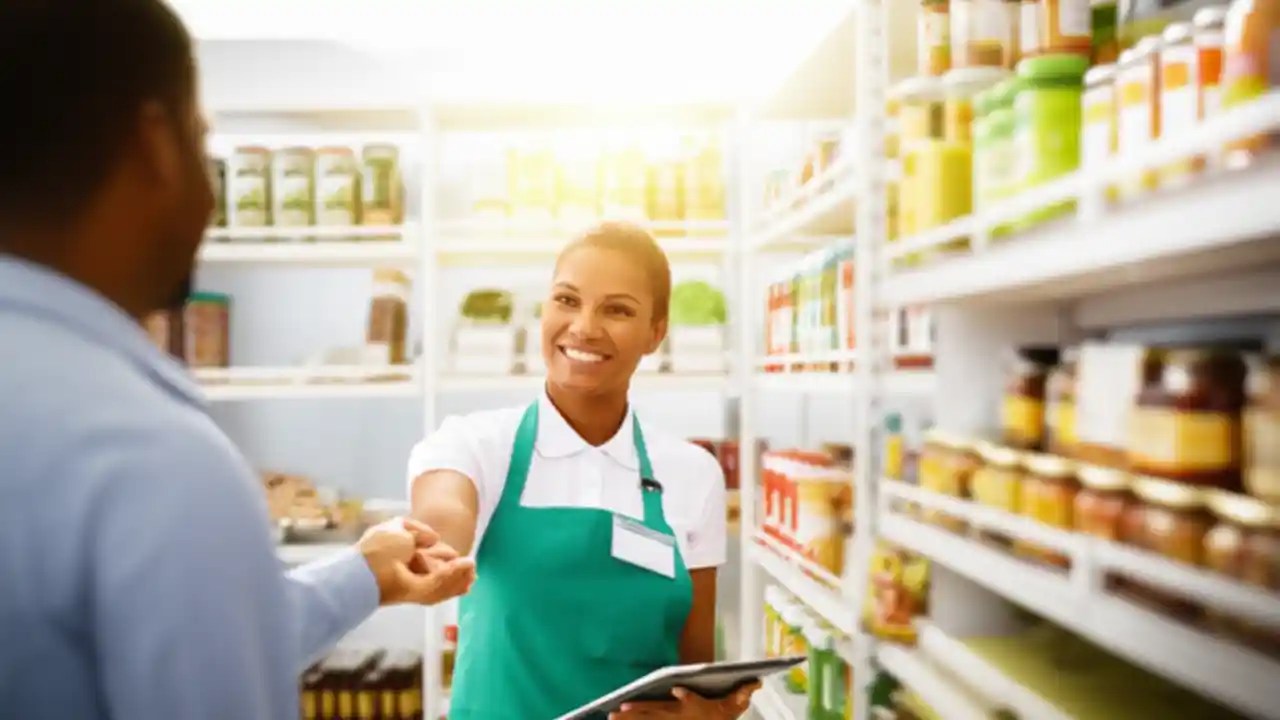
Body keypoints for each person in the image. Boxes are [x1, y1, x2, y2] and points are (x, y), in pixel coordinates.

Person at [0, 2, 474, 719]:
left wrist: (361, 576)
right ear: (154, 146)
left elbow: (180, 623)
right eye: (203, 142)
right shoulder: (150, 461)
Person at [409, 221, 760, 719]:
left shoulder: (692, 474)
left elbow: (694, 667)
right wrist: (433, 548)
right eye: (567, 300)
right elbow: (443, 510)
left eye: (617, 310)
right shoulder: (476, 444)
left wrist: (705, 715)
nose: (584, 327)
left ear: (655, 333)